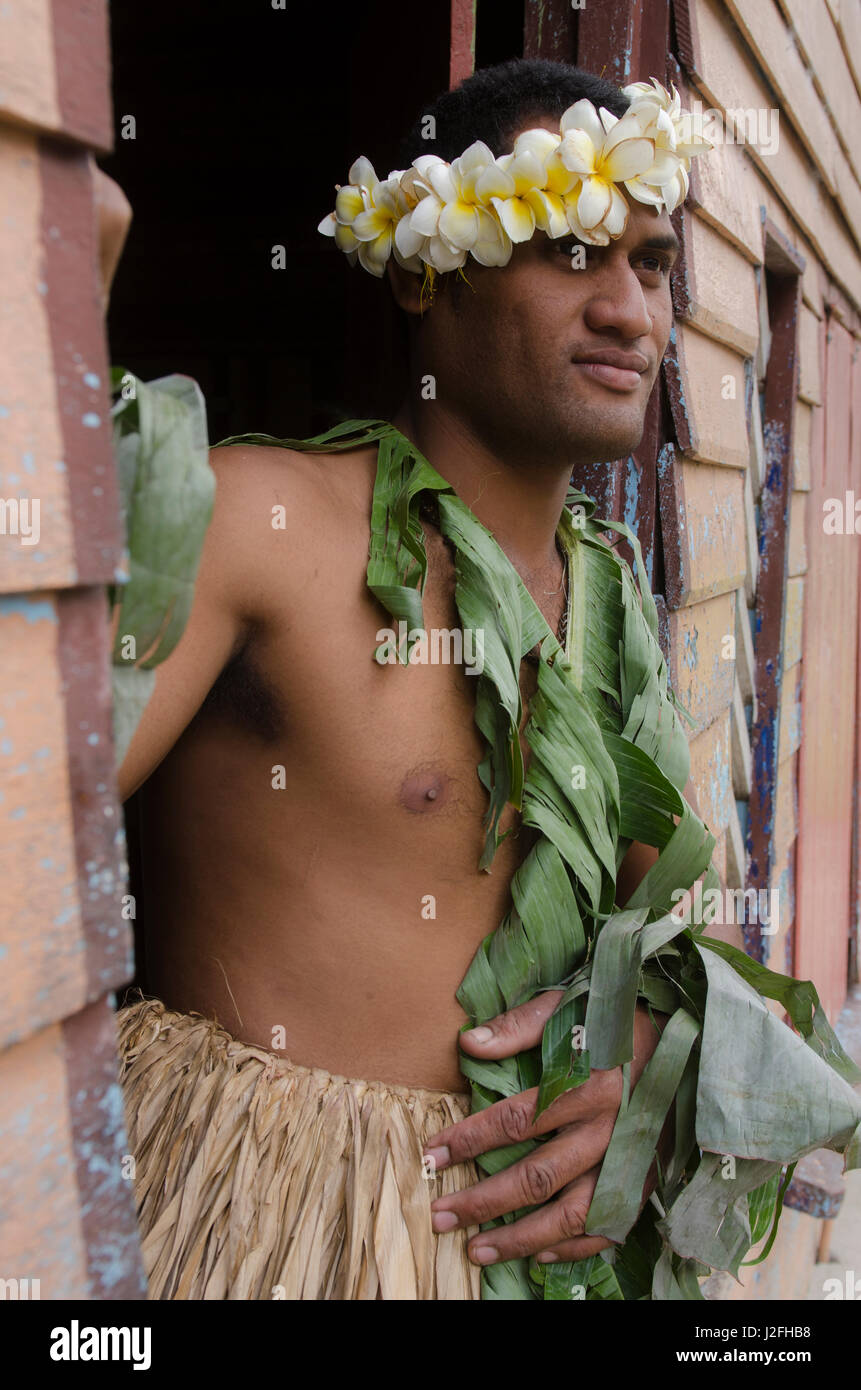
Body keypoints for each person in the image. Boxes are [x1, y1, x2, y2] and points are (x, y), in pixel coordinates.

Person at [113, 59, 721, 1300]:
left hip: (518, 1255)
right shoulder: (254, 522)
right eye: (568, 249)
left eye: (650, 263)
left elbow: (668, 935)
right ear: (421, 270)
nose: (629, 312)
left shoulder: (616, 606)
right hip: (253, 1227)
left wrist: (653, 1067)